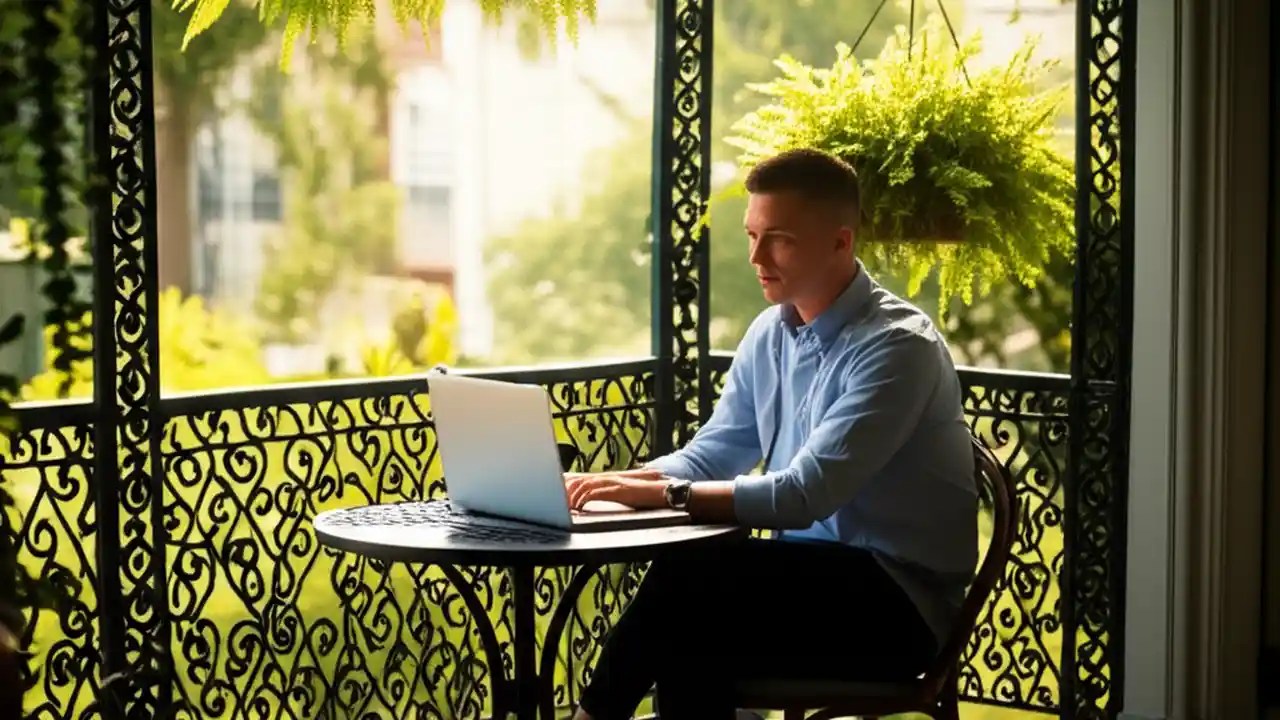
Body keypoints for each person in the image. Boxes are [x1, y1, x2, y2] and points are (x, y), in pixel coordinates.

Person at [564, 147, 978, 720]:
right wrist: (623, 481)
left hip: (898, 605)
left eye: (778, 237)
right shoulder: (770, 332)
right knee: (691, 628)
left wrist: (662, 495)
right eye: (752, 234)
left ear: (841, 241)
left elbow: (805, 496)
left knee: (691, 584)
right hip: (803, 588)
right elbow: (717, 451)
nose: (757, 255)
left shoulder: (897, 346)